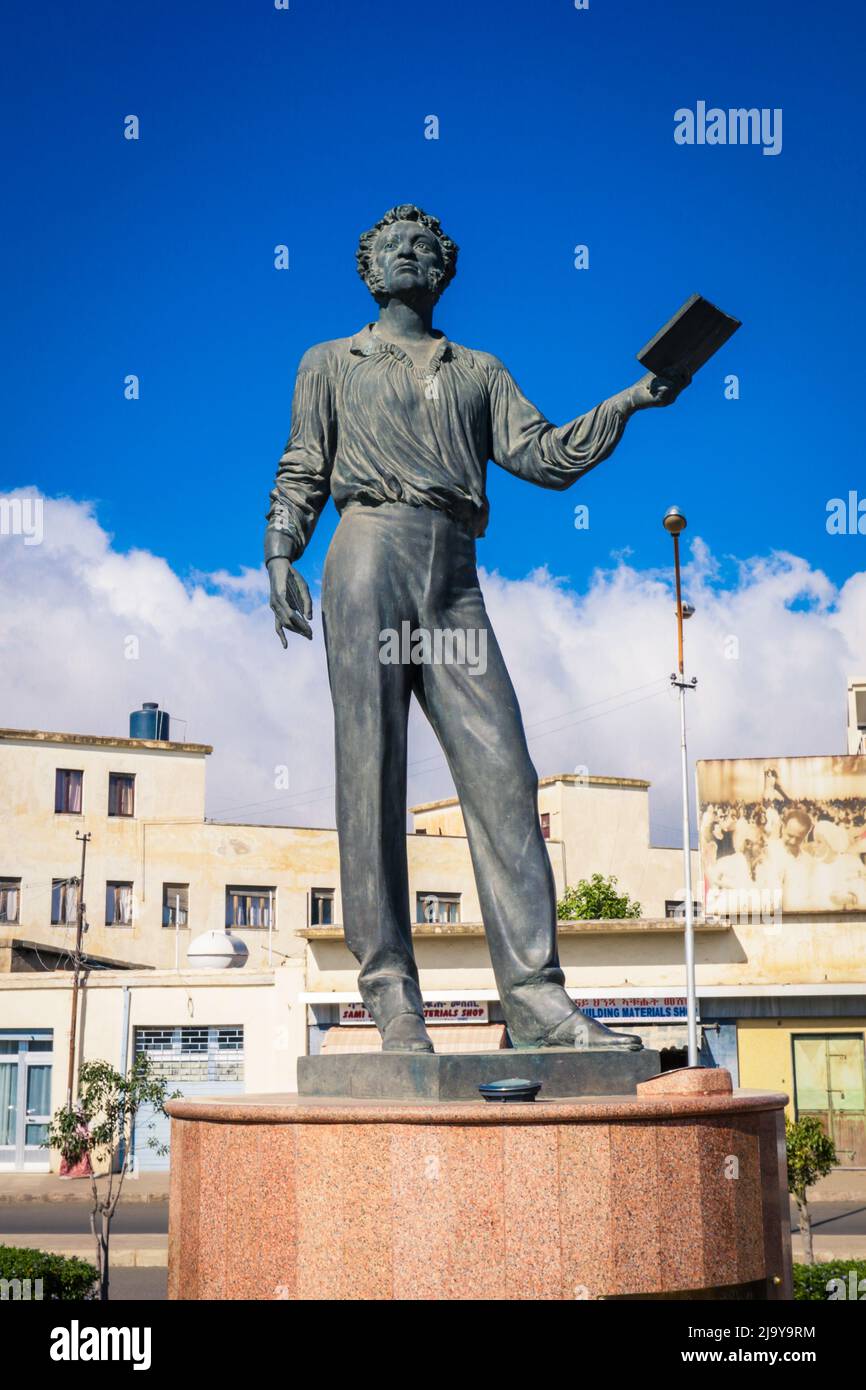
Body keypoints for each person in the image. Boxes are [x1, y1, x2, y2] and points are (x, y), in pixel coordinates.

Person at [264, 204, 689, 1052]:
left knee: (506, 776)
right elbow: (304, 465)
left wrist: (633, 401)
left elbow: (548, 458)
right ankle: (391, 996)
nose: (411, 252)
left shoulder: (479, 371)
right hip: (368, 553)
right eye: (394, 245)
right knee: (371, 770)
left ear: (443, 270)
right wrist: (281, 548)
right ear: (371, 270)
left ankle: (536, 999)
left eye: (426, 245)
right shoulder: (328, 363)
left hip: (454, 573)